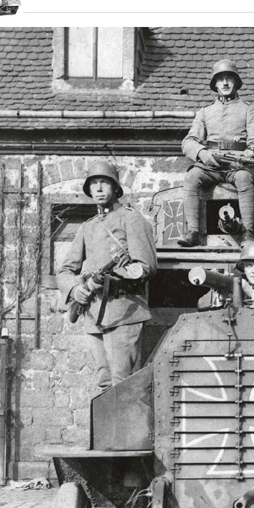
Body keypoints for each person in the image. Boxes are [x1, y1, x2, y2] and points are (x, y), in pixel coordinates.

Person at [57, 161, 157, 393]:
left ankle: (128, 431)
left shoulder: (132, 220)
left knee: (123, 383)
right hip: (93, 312)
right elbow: (65, 271)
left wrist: (112, 275)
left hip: (124, 310)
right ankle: (107, 431)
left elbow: (146, 266)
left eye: (104, 183)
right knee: (104, 382)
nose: (99, 189)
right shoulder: (87, 227)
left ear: (115, 188)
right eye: (94, 184)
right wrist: (74, 289)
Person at [178, 59, 254, 248]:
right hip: (211, 166)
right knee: (192, 177)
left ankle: (248, 234)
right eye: (220, 79)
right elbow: (188, 141)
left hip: (239, 165)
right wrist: (202, 153)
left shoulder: (249, 110)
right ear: (215, 84)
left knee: (244, 178)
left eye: (229, 79)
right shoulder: (204, 112)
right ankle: (193, 231)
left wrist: (245, 157)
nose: (225, 83)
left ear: (235, 82)